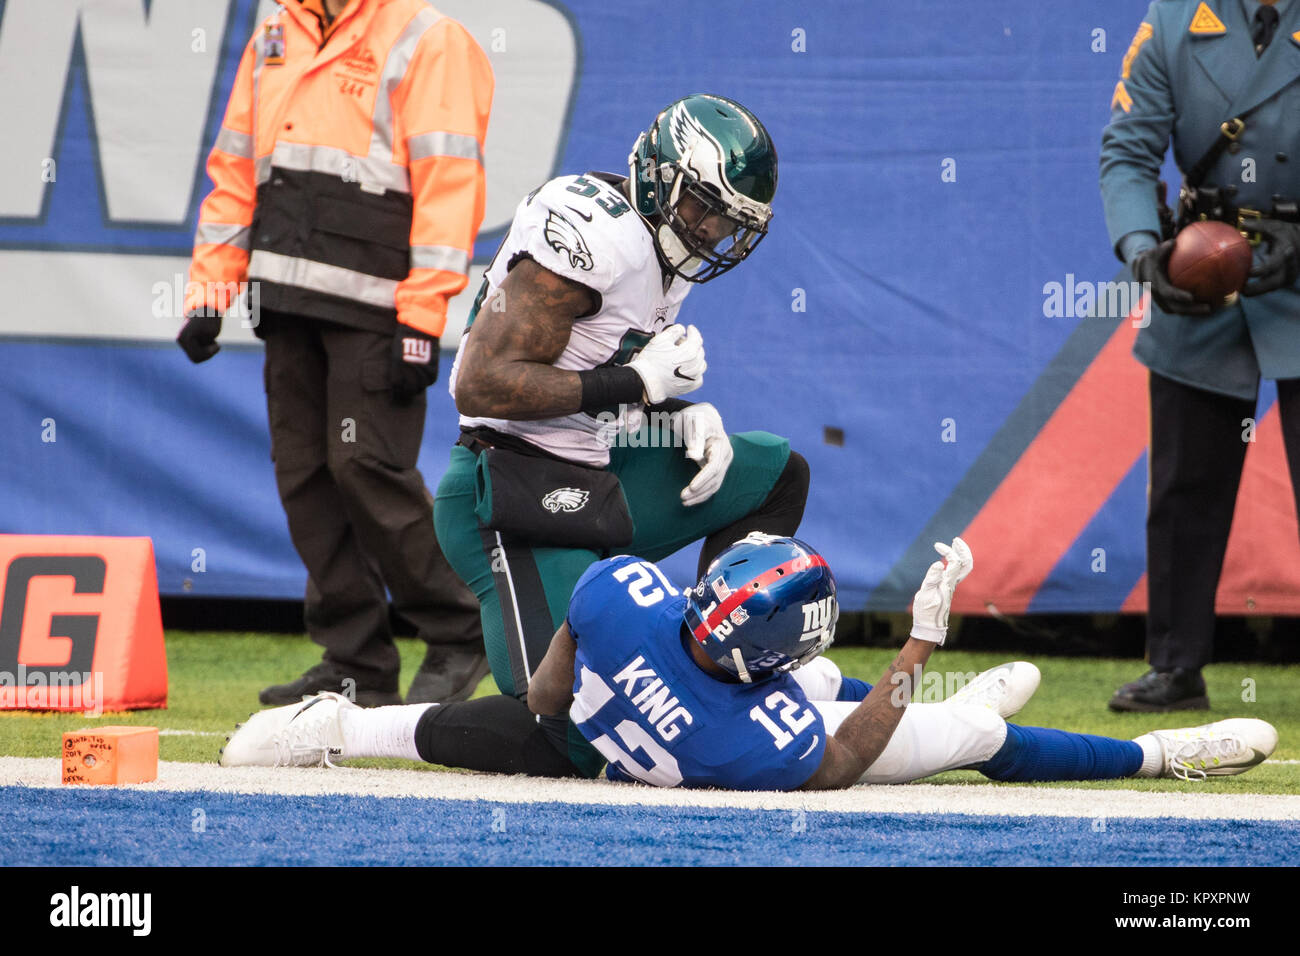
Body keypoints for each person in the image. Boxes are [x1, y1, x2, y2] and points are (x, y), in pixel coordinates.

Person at [219, 534, 1279, 788]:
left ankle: (326, 727)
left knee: (476, 730)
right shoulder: (759, 737)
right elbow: (844, 758)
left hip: (589, 733)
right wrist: (920, 641)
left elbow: (542, 692)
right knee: (971, 736)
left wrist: (578, 700)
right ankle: (1154, 754)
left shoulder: (620, 590)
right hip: (720, 728)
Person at [429, 92, 811, 777]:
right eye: (705, 208)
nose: (714, 232)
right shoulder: (590, 232)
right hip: (512, 491)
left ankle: (720, 664)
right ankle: (358, 725)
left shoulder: (663, 252)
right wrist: (638, 386)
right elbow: (481, 384)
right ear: (661, 178)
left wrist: (671, 417)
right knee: (575, 729)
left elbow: (601, 372)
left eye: (730, 223)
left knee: (773, 475)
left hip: (600, 467)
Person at [177, 0, 494, 706]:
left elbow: (451, 188)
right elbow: (235, 167)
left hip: (379, 310)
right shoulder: (274, 28)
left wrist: (421, 316)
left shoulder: (427, 36)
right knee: (305, 478)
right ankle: (355, 661)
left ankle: (462, 627)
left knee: (365, 469)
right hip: (286, 302)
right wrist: (209, 291)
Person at [1100, 0, 1300, 711]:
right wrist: (1143, 250)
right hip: (1200, 274)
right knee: (1184, 488)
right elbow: (1127, 150)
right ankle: (1175, 667)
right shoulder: (1175, 18)